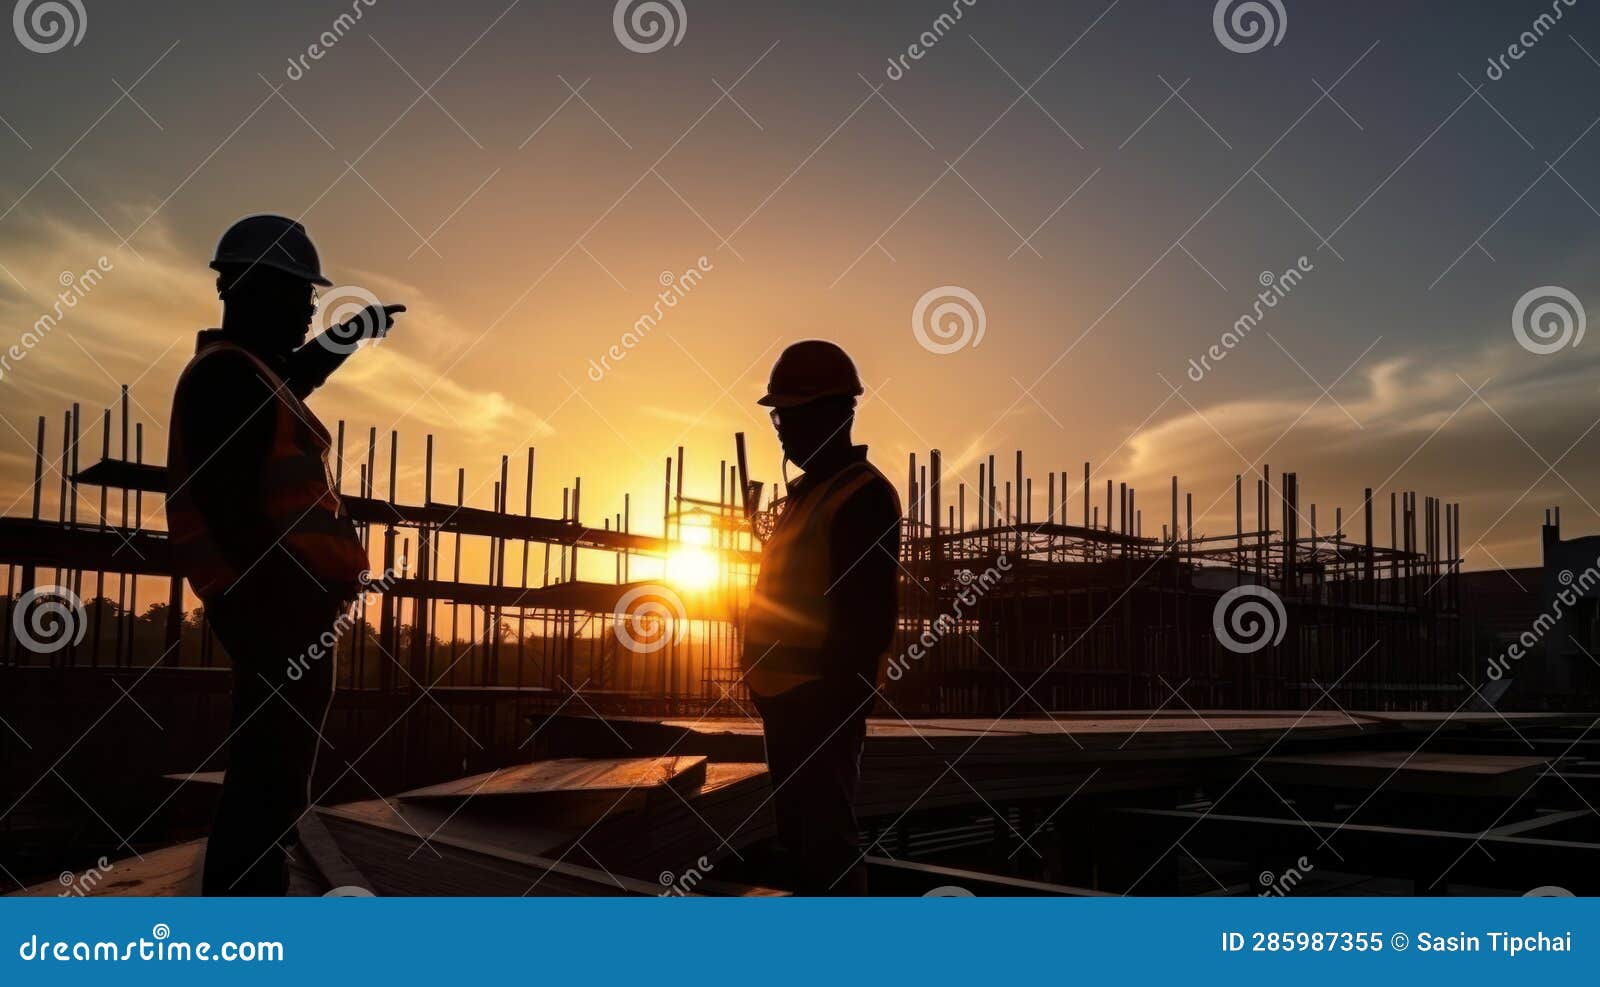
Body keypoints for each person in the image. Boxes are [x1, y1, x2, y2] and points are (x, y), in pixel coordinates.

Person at [165, 215, 403, 895]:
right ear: (253, 290)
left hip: (282, 607)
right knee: (268, 779)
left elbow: (297, 374)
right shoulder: (227, 378)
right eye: (299, 294)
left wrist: (347, 335)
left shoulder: (251, 375)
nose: (306, 310)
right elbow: (232, 508)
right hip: (274, 608)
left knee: (273, 778)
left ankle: (249, 907)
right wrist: (295, 594)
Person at [742, 340, 901, 895]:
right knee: (798, 843)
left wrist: (834, 704)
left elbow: (866, 621)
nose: (781, 430)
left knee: (826, 845)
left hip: (821, 704)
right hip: (783, 699)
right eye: (778, 417)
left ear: (834, 414)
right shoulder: (806, 496)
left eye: (790, 416)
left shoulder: (863, 496)